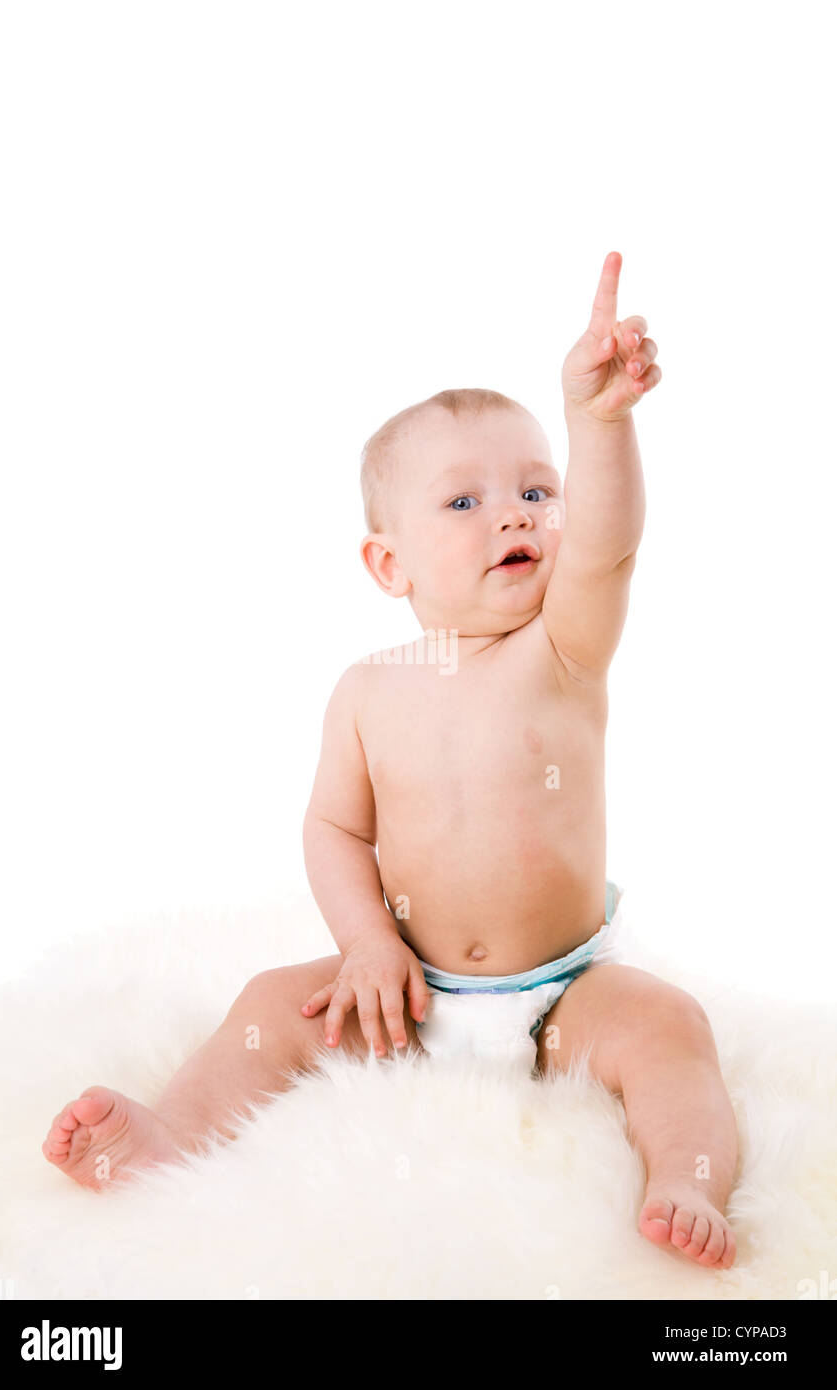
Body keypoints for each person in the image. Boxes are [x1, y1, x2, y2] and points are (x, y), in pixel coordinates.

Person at [42, 251, 737, 1270]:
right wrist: (367, 945)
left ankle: (685, 1175)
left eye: (535, 492)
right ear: (387, 563)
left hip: (559, 997)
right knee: (271, 1005)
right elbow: (334, 829)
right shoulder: (367, 692)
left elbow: (604, 549)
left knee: (669, 1028)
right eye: (463, 503)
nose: (513, 514)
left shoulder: (561, 650)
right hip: (405, 996)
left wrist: (596, 423)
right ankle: (168, 1134)